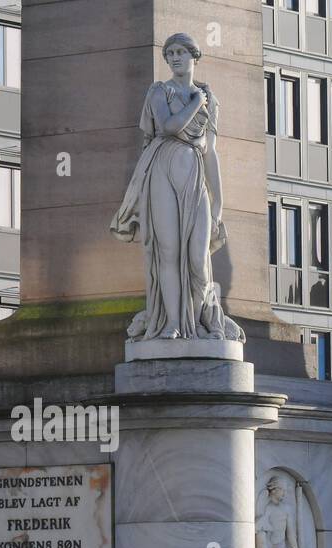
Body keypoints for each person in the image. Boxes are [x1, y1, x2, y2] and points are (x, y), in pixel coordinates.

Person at [110, 33, 243, 344]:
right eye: (170, 53)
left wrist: (219, 202)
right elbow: (169, 127)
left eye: (181, 52)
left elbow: (210, 153)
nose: (175, 58)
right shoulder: (160, 91)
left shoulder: (212, 99)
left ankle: (195, 324)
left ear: (194, 57)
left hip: (194, 175)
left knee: (198, 259)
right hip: (162, 170)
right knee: (167, 251)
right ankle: (172, 323)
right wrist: (197, 102)